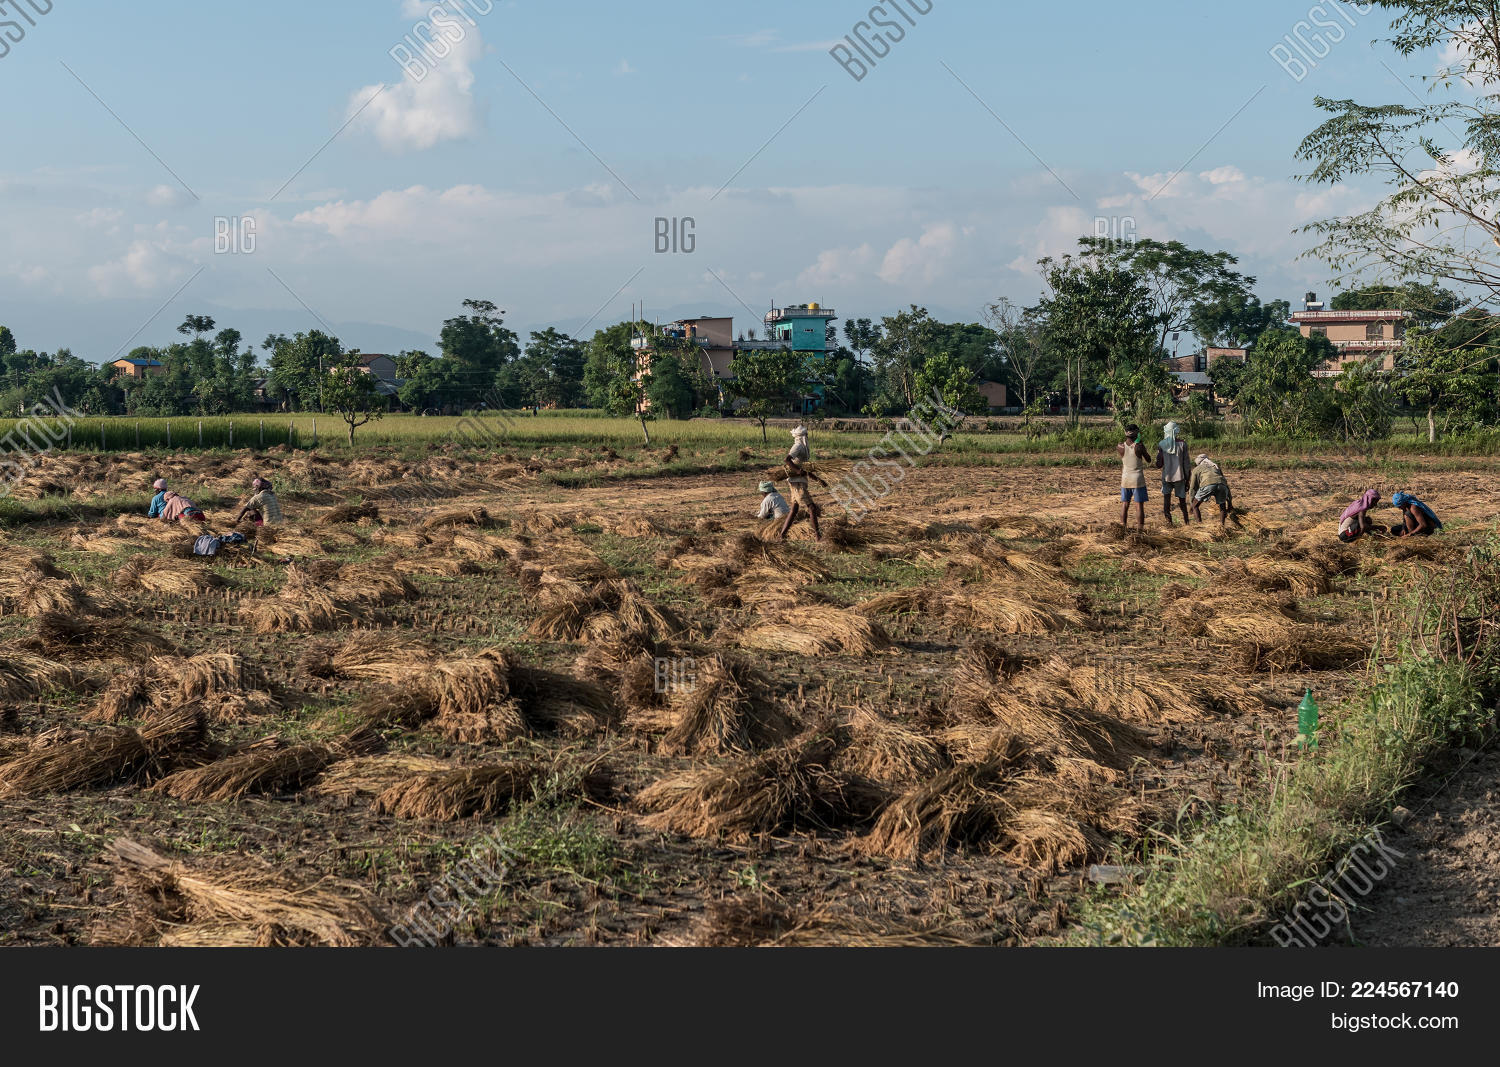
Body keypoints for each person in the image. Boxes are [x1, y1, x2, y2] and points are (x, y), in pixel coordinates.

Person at [779, 425, 827, 542]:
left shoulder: (803, 448)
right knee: (811, 507)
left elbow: (805, 469)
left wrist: (818, 480)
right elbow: (787, 460)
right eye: (806, 434)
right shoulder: (798, 446)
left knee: (794, 508)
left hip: (799, 482)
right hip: (797, 483)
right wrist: (797, 471)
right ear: (802, 436)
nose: (807, 436)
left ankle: (782, 535)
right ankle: (818, 536)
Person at [1154, 421, 1192, 526]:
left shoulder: (1162, 444)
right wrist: (1187, 480)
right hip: (1180, 477)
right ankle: (1186, 522)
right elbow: (1186, 464)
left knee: (1167, 500)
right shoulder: (1182, 444)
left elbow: (1159, 464)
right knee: (1182, 501)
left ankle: (1169, 522)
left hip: (1167, 477)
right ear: (1176, 432)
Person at [1117, 424, 1151, 533]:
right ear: (1136, 433)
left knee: (1125, 504)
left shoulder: (1120, 446)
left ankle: (1122, 527)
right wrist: (1141, 444)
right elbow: (1148, 459)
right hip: (1137, 480)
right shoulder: (1139, 446)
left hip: (1125, 479)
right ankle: (1140, 530)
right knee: (1139, 505)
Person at [1188, 454, 1232, 528]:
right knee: (1222, 506)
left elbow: (1192, 487)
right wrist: (1230, 502)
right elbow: (1225, 483)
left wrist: (1192, 504)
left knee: (1195, 506)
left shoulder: (1197, 469)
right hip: (1222, 485)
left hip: (1207, 484)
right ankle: (1222, 526)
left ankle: (1199, 526)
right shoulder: (1216, 466)